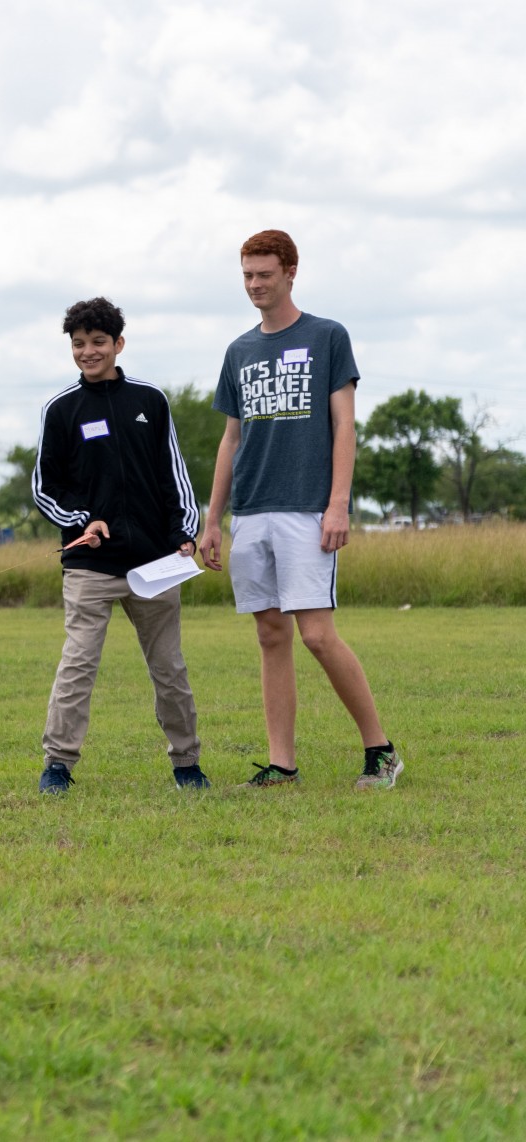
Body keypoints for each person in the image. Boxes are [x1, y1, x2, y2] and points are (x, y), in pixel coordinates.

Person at [198, 230, 400, 790]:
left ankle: (381, 750)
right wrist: (212, 520)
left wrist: (338, 505)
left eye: (264, 274)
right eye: (247, 275)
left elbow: (344, 425)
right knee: (270, 634)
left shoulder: (326, 336)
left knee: (316, 635)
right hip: (251, 511)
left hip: (307, 509)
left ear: (290, 272)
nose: (254, 284)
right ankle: (282, 764)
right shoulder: (239, 351)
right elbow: (231, 439)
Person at [32, 297, 205, 794]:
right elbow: (44, 488)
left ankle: (187, 764)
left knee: (170, 669)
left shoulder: (151, 400)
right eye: (78, 344)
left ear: (118, 344)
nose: (88, 352)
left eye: (98, 342)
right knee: (78, 666)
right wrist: (82, 519)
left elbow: (175, 477)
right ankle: (57, 765)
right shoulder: (60, 409)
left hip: (155, 564)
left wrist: (184, 533)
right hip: (89, 564)